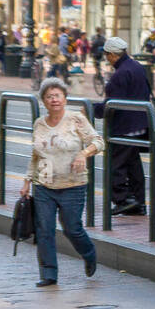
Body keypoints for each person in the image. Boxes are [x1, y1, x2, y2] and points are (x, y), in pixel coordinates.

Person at [21, 77, 103, 287]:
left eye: (57, 96)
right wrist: (27, 181)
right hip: (44, 184)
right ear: (44, 101)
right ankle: (48, 274)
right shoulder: (39, 123)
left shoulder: (76, 119)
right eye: (49, 97)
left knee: (71, 228)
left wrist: (83, 154)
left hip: (72, 184)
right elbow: (35, 154)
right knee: (44, 229)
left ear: (65, 99)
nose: (54, 100)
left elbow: (98, 141)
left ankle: (88, 252)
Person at [95, 37, 152, 216]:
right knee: (133, 165)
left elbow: (112, 104)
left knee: (116, 164)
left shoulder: (120, 74)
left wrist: (92, 109)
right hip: (139, 126)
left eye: (107, 55)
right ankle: (138, 202)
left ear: (112, 55)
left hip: (124, 127)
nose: (107, 59)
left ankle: (123, 199)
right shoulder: (136, 67)